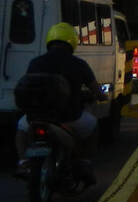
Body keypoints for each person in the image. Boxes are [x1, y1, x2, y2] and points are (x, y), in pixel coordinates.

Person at [12, 22, 104, 183]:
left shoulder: (36, 62)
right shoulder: (79, 64)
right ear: (72, 42)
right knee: (93, 126)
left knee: (21, 129)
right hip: (70, 118)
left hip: (36, 117)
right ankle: (85, 162)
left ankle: (23, 162)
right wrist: (102, 96)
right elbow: (96, 90)